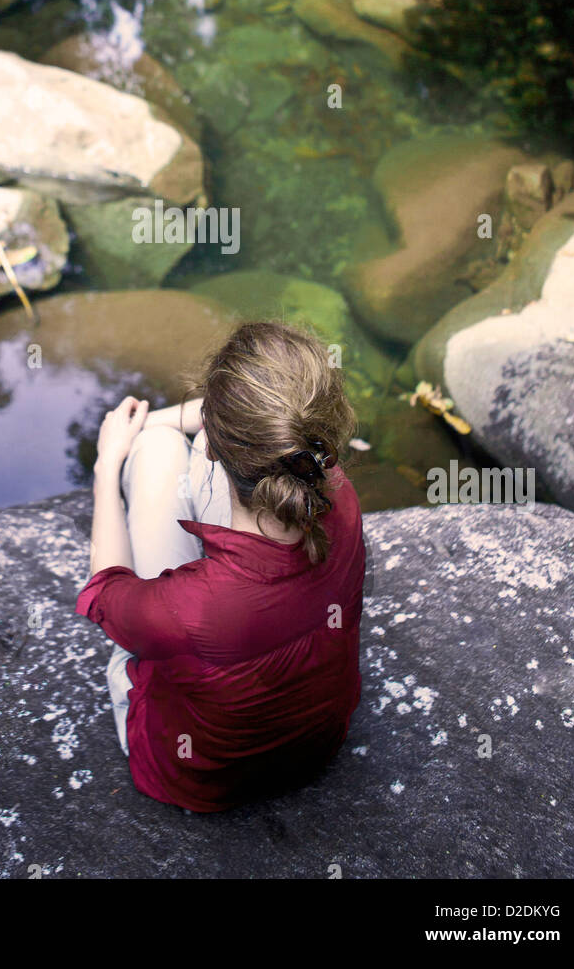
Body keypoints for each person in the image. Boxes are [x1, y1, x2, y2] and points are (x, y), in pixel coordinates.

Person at [75, 320, 366, 813]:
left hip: (202, 775)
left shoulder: (188, 610)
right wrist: (153, 420)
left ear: (211, 441)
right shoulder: (339, 494)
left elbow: (103, 591)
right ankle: (156, 436)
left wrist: (108, 466)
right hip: (316, 746)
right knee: (160, 442)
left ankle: (143, 445)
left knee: (155, 451)